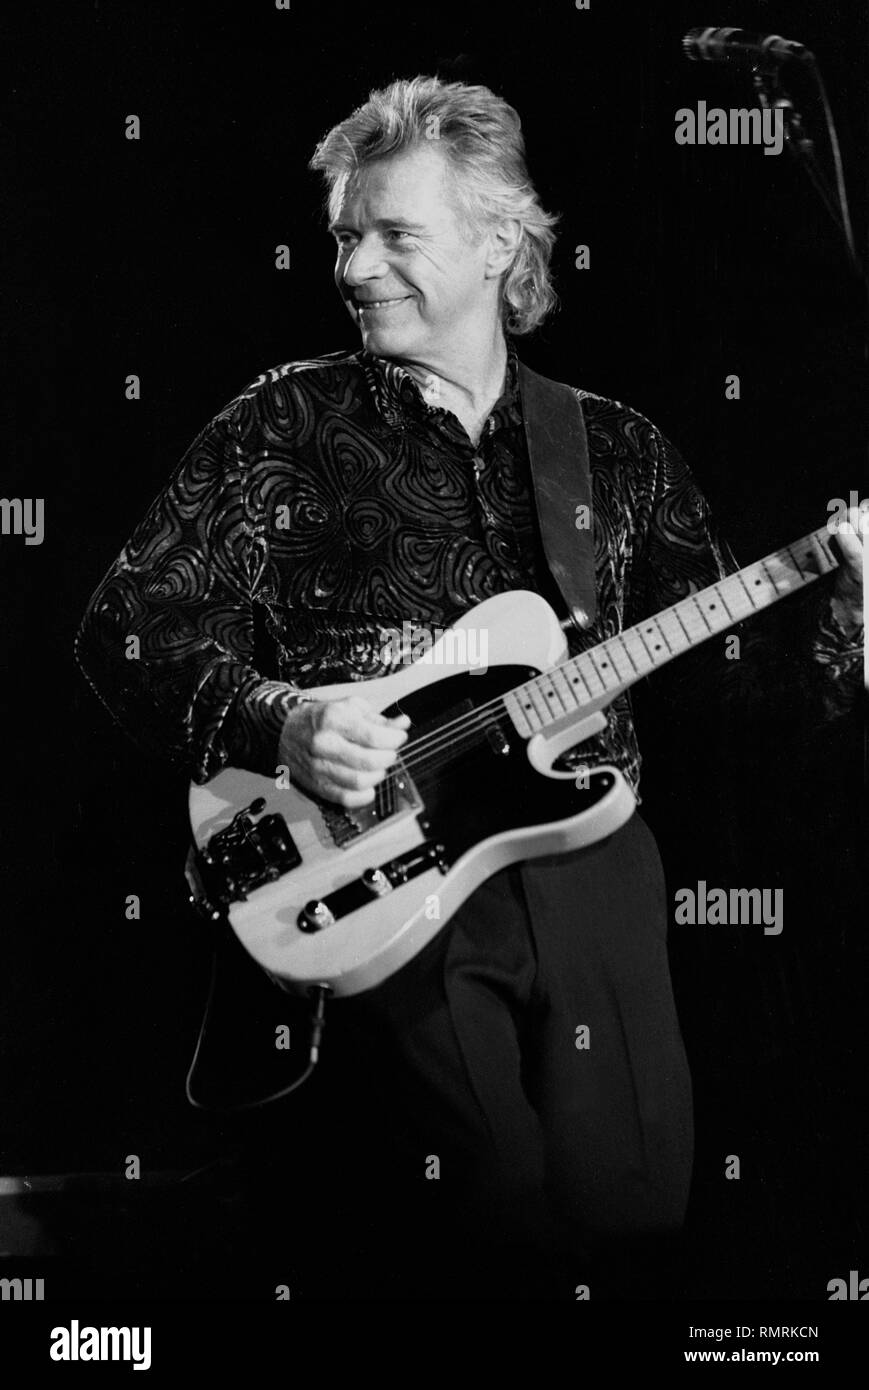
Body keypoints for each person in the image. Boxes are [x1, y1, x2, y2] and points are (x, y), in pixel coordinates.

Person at [75, 76, 863, 1299]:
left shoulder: (615, 451)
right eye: (345, 234)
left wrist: (848, 614)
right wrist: (281, 722)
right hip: (396, 874)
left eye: (394, 233)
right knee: (482, 1222)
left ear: (501, 242)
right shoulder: (281, 424)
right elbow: (128, 625)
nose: (352, 265)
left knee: (639, 1209)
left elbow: (733, 704)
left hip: (596, 862)